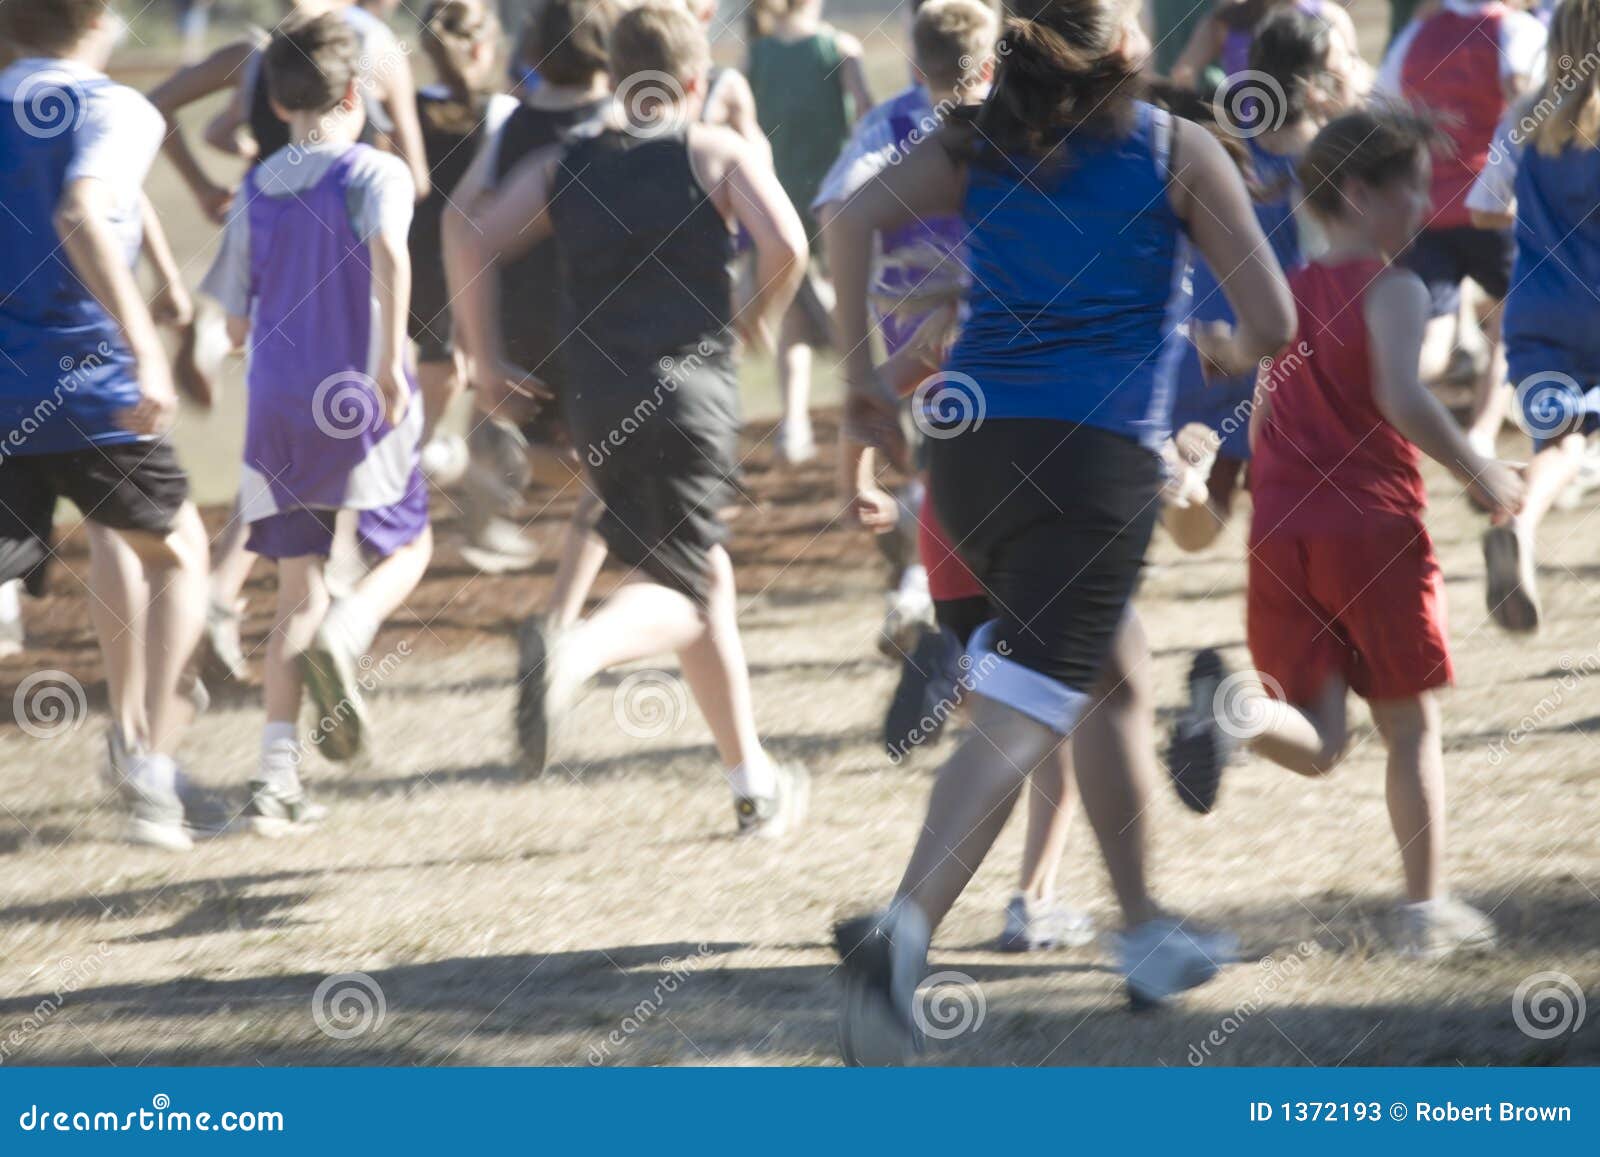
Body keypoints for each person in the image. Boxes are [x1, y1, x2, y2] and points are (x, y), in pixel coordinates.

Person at [826, 0, 1297, 1064]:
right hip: (1093, 465)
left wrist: (861, 380)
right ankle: (899, 936)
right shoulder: (1176, 146)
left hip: (973, 457)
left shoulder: (976, 137)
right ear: (1121, 43)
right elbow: (1273, 323)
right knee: (1026, 703)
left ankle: (1142, 934)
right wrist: (1215, 342)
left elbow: (847, 220)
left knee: (1112, 674)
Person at [1168, 107, 1526, 957]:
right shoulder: (1394, 288)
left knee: (1321, 740)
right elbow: (1402, 397)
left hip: (1282, 532)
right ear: (1361, 194)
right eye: (1414, 189)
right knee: (1410, 728)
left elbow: (1256, 412)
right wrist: (1481, 470)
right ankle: (1425, 910)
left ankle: (1231, 713)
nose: (1425, 206)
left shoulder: (1282, 299)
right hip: (1372, 527)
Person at [451, 1, 814, 835]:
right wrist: (756, 314)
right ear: (695, 82)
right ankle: (570, 654)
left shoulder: (565, 164)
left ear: (613, 80)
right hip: (690, 395)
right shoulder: (714, 149)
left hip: (598, 400)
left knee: (701, 575)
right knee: (684, 586)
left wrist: (486, 359)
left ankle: (752, 782)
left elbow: (470, 238)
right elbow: (789, 242)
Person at [201, 12, 433, 833]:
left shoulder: (256, 189)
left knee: (292, 589)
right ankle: (353, 624)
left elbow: (229, 323)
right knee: (407, 544)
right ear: (355, 92)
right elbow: (395, 259)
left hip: (277, 405)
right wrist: (387, 366)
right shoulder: (376, 172)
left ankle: (274, 781)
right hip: (360, 394)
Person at [0, 0, 210, 850]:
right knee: (179, 553)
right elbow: (84, 208)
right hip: (91, 389)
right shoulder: (112, 106)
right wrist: (146, 348)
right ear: (104, 18)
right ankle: (147, 768)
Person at [444, 0, 621, 596]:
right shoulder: (618, 120)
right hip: (600, 325)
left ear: (531, 53)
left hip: (523, 321)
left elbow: (455, 222)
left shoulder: (510, 124)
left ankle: (479, 455)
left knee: (580, 459)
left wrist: (476, 343)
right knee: (622, 468)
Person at [1163, 5, 1327, 550]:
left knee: (1204, 519)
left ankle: (1185, 489)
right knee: (1288, 505)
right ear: (1320, 78)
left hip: (1205, 341)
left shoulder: (1225, 150)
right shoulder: (1325, 165)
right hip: (1280, 354)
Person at [1465, 0, 1600, 632]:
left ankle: (1519, 524)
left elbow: (1485, 208)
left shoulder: (1527, 115)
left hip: (1536, 312)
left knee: (1564, 438)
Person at [1376, 0, 1546, 459]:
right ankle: (1482, 433)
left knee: (1431, 337)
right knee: (1510, 322)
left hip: (1427, 209)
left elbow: (1383, 107)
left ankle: (1374, 405)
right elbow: (1529, 109)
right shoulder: (1517, 30)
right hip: (1493, 207)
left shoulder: (1415, 37)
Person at [748, 0, 873, 465]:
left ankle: (794, 425)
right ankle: (865, 401)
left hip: (775, 199)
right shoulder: (838, 46)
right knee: (831, 304)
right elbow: (866, 113)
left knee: (796, 315)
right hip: (831, 195)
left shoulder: (757, 53)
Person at [408, 0, 517, 482]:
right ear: (481, 46)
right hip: (476, 257)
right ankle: (426, 457)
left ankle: (429, 451)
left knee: (442, 360)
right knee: (466, 367)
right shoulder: (502, 112)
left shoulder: (406, 107)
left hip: (412, 256)